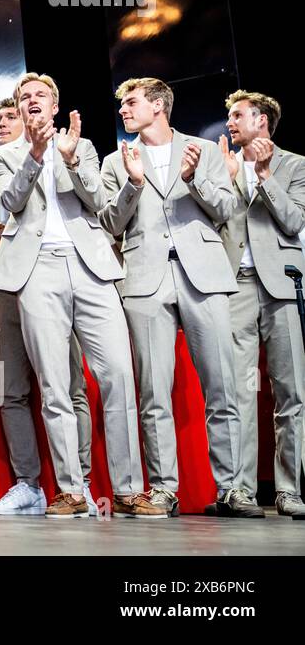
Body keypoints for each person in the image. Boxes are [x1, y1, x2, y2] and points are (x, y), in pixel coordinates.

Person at [0, 74, 159, 518]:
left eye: (40, 95)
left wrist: (70, 158)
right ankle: (70, 489)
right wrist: (35, 154)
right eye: (25, 97)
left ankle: (128, 489)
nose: (32, 100)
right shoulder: (1, 155)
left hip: (91, 267)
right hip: (36, 269)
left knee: (118, 374)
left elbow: (97, 200)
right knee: (54, 383)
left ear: (55, 105)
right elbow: (10, 202)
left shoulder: (81, 145)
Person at [101, 77, 248, 517]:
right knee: (153, 392)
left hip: (203, 274)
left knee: (222, 387)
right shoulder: (116, 160)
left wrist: (193, 179)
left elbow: (226, 209)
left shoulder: (202, 150)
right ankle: (164, 489)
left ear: (158, 106)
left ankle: (232, 489)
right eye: (122, 104)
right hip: (144, 278)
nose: (123, 110)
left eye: (131, 102)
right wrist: (133, 184)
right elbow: (109, 223)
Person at [0, 95, 96, 516]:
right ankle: (28, 484)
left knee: (70, 386)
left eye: (9, 116)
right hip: (6, 287)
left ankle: (82, 483)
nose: (2, 123)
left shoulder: (66, 154)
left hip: (57, 280)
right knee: (11, 389)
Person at [219, 90, 305, 517]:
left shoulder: (295, 165)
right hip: (235, 283)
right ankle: (241, 490)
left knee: (291, 391)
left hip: (283, 285)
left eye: (237, 115)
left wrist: (265, 175)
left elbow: (293, 220)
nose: (229, 122)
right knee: (238, 390)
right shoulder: (224, 163)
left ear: (261, 120)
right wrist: (226, 179)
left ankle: (289, 490)